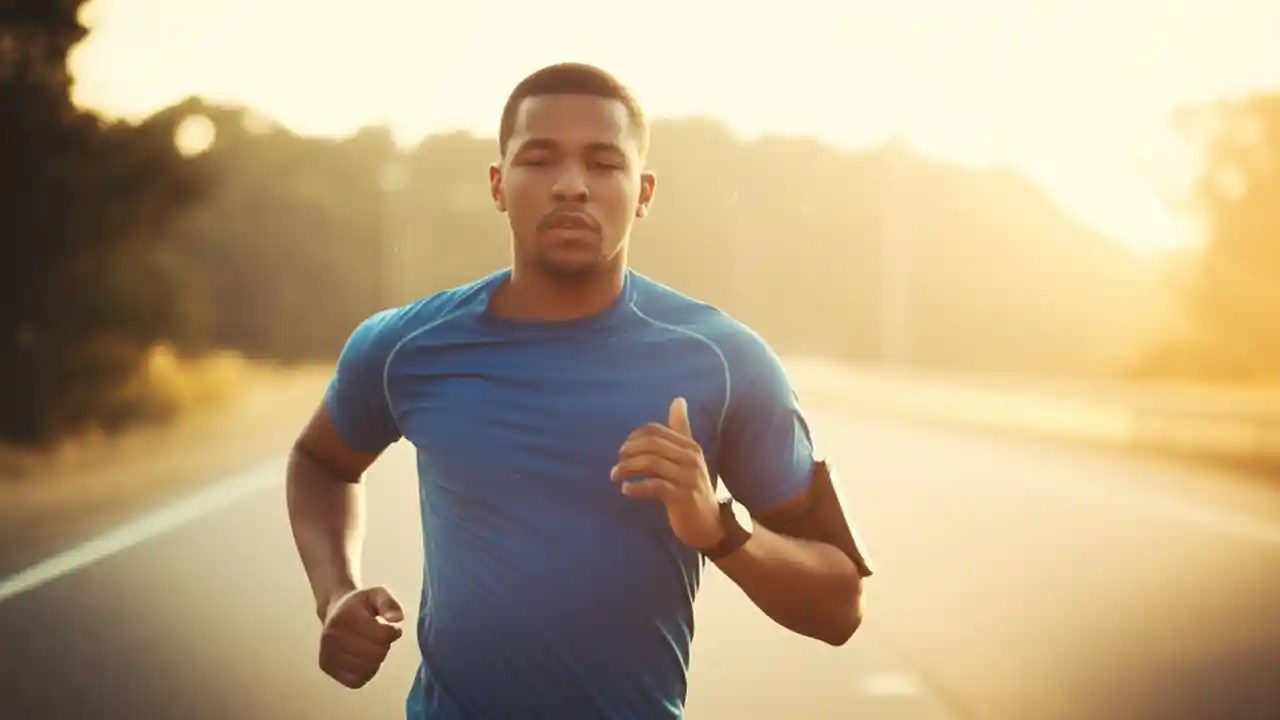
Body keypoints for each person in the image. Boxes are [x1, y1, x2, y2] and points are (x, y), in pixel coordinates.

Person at [286, 61, 874, 719]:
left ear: (643, 191)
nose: (571, 186)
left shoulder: (726, 360)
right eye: (539, 160)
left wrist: (719, 528)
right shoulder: (405, 346)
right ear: (498, 183)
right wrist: (335, 594)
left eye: (603, 164)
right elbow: (321, 462)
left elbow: (840, 606)